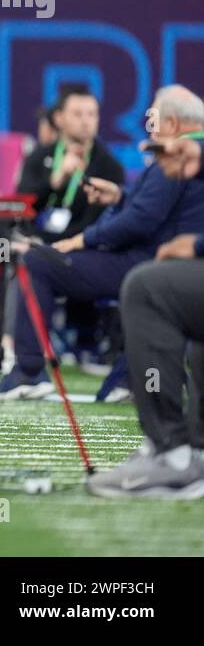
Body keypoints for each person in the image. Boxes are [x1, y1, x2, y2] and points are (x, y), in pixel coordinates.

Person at [0, 85, 204, 400]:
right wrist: (120, 196)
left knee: (37, 264)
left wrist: (81, 241)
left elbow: (140, 221)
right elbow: (158, 209)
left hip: (147, 262)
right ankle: (135, 380)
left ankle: (29, 372)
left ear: (171, 123)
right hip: (162, 261)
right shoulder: (188, 153)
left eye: (153, 115)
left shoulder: (176, 153)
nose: (148, 121)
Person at [0, 85, 122, 362]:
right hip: (17, 247)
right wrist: (55, 182)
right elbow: (17, 209)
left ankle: (6, 347)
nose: (86, 120)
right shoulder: (39, 158)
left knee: (26, 265)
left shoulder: (109, 168)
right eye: (78, 113)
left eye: (92, 114)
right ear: (60, 119)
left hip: (67, 257)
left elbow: (95, 228)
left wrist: (41, 245)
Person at [87, 132, 204, 498]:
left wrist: (82, 240)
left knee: (147, 289)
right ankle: (196, 451)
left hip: (139, 255)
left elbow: (141, 222)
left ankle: (173, 452)